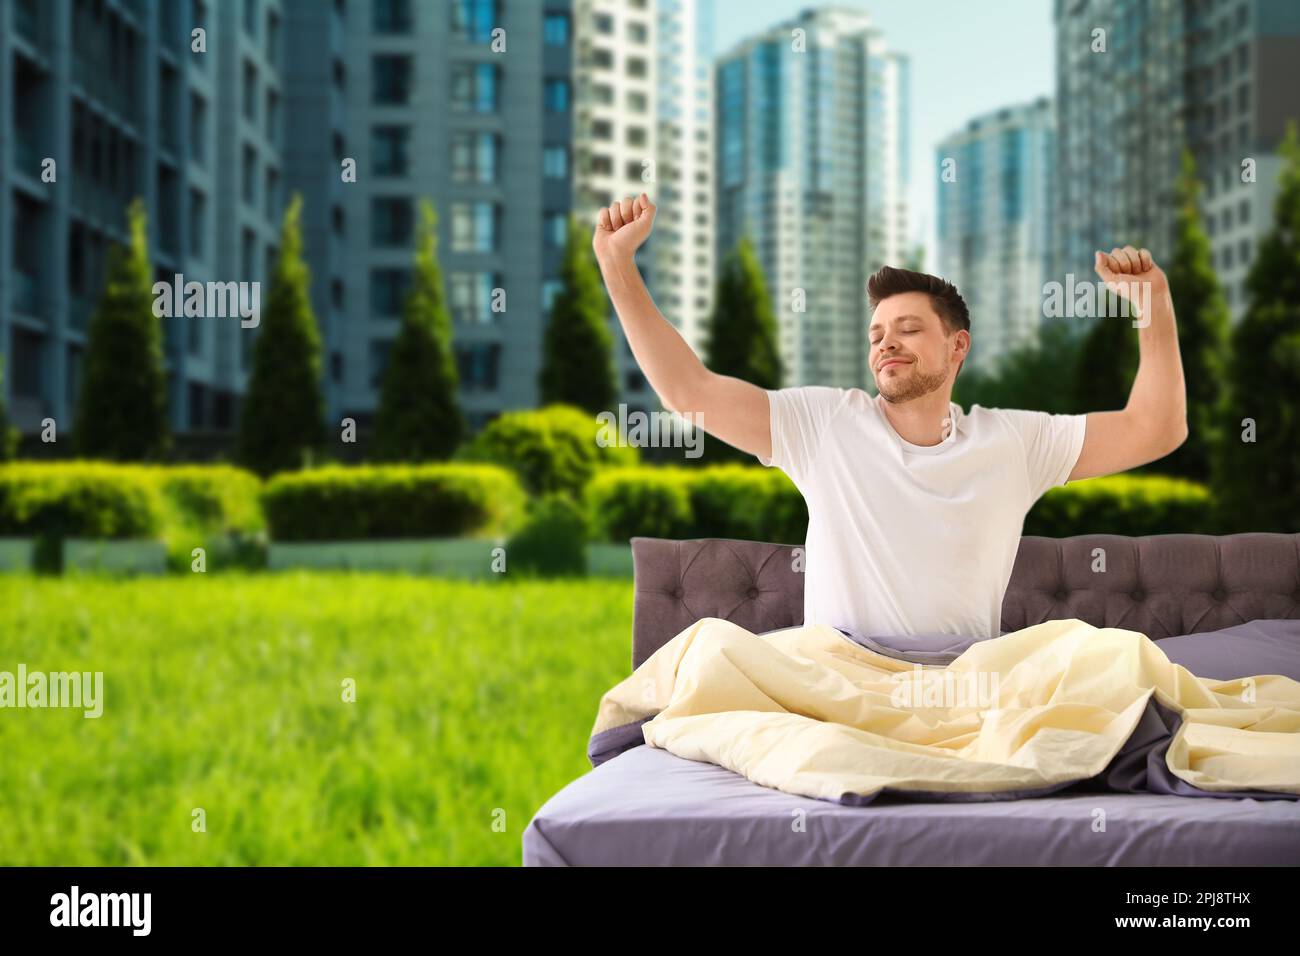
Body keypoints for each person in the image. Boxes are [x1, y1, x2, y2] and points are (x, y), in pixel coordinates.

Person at [592, 192, 1188, 640]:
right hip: (841, 682)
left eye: (907, 329)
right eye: (876, 333)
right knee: (710, 661)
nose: (886, 344)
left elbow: (1155, 428)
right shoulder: (821, 425)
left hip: (965, 691)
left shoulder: (1014, 440)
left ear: (958, 348)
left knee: (1114, 662)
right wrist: (617, 264)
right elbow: (686, 389)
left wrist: (1152, 306)